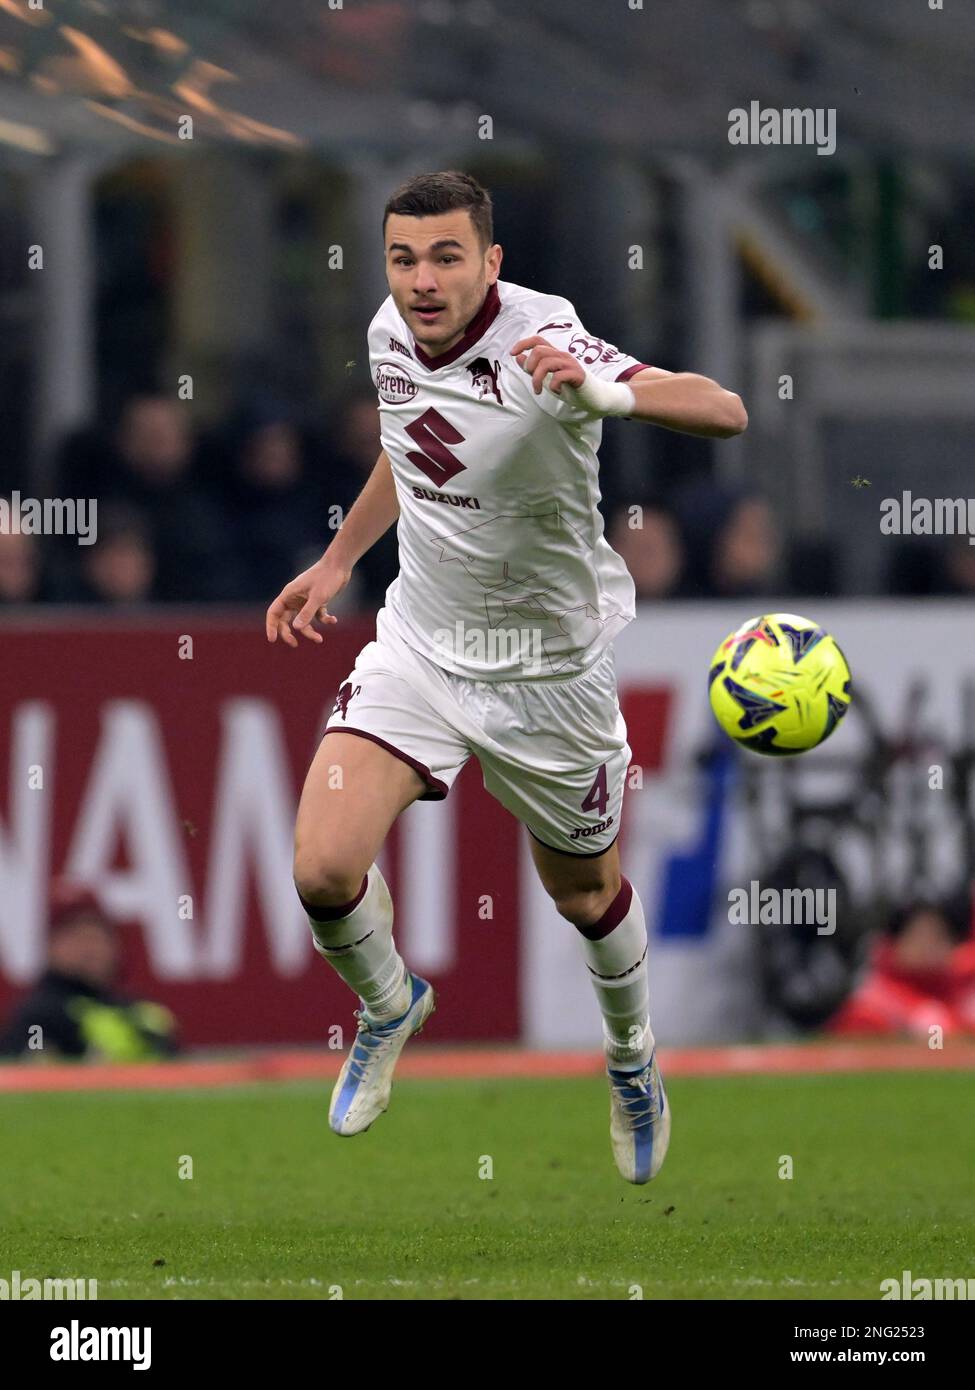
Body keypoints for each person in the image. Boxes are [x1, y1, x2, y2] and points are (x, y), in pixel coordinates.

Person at [266, 170, 747, 1185]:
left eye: (447, 256)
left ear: (492, 262)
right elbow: (414, 446)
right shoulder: (388, 334)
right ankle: (393, 1001)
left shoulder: (545, 341)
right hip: (422, 646)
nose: (423, 280)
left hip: (548, 675)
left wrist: (601, 391)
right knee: (321, 868)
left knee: (586, 893)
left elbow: (725, 410)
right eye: (403, 257)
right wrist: (342, 559)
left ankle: (632, 1060)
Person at [0, 881, 178, 1061]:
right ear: (50, 947)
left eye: (97, 936)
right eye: (76, 937)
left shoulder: (141, 1012)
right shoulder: (37, 1017)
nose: (90, 948)